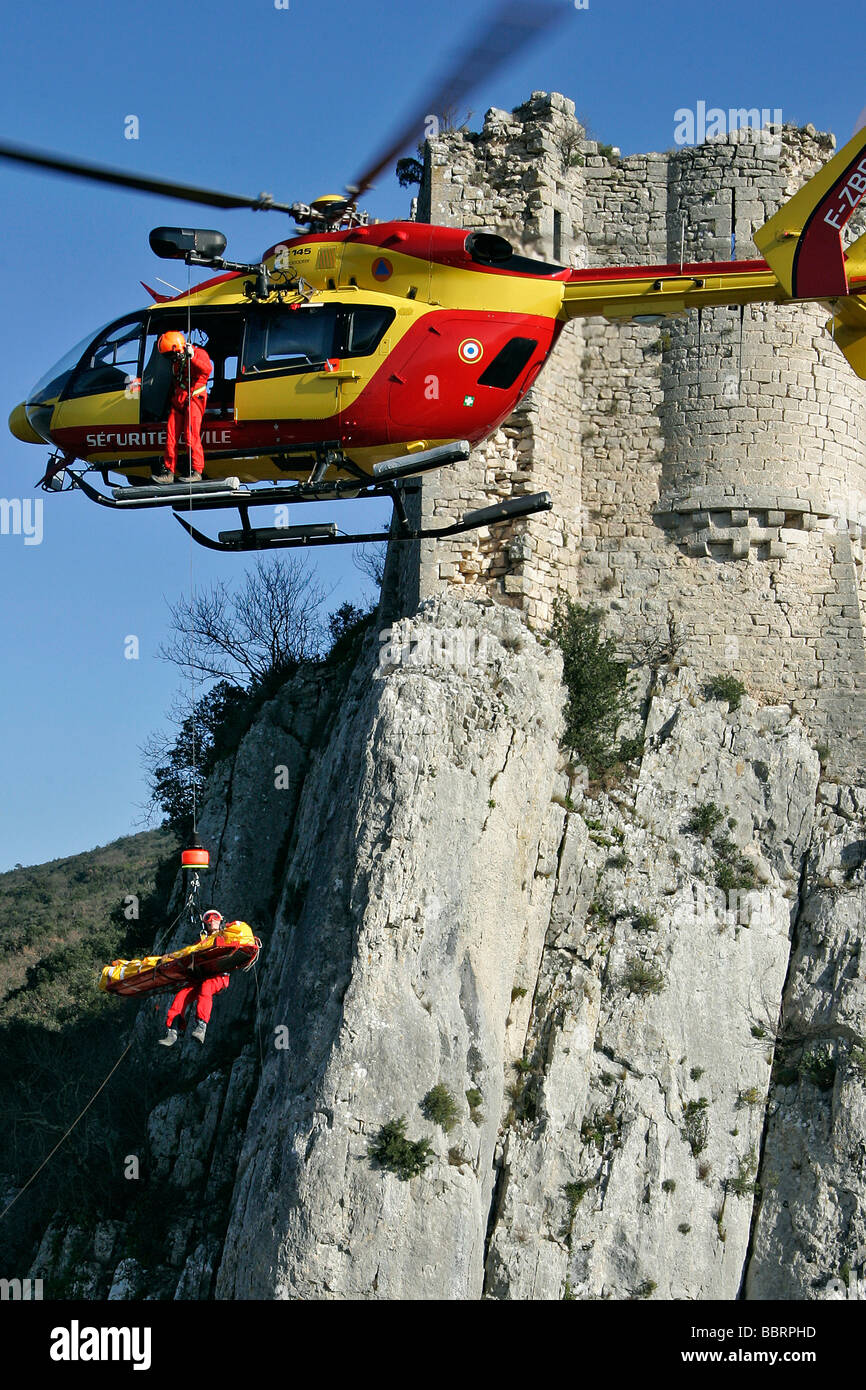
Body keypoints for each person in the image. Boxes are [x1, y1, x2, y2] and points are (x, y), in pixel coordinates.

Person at [158, 909, 230, 1047]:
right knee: (182, 995)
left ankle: (201, 1026)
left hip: (219, 976)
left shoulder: (226, 935)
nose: (212, 920)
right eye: (208, 919)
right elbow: (188, 952)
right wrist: (172, 957)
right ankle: (173, 1030)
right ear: (205, 924)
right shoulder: (202, 942)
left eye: (216, 917)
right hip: (203, 976)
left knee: (206, 987)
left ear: (221, 920)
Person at [151, 331, 212, 483]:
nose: (170, 359)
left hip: (195, 399)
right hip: (179, 402)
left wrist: (192, 358)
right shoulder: (177, 362)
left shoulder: (198, 354)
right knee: (170, 438)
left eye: (171, 355)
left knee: (191, 436)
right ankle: (168, 473)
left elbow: (207, 370)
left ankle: (196, 471)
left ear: (178, 349)